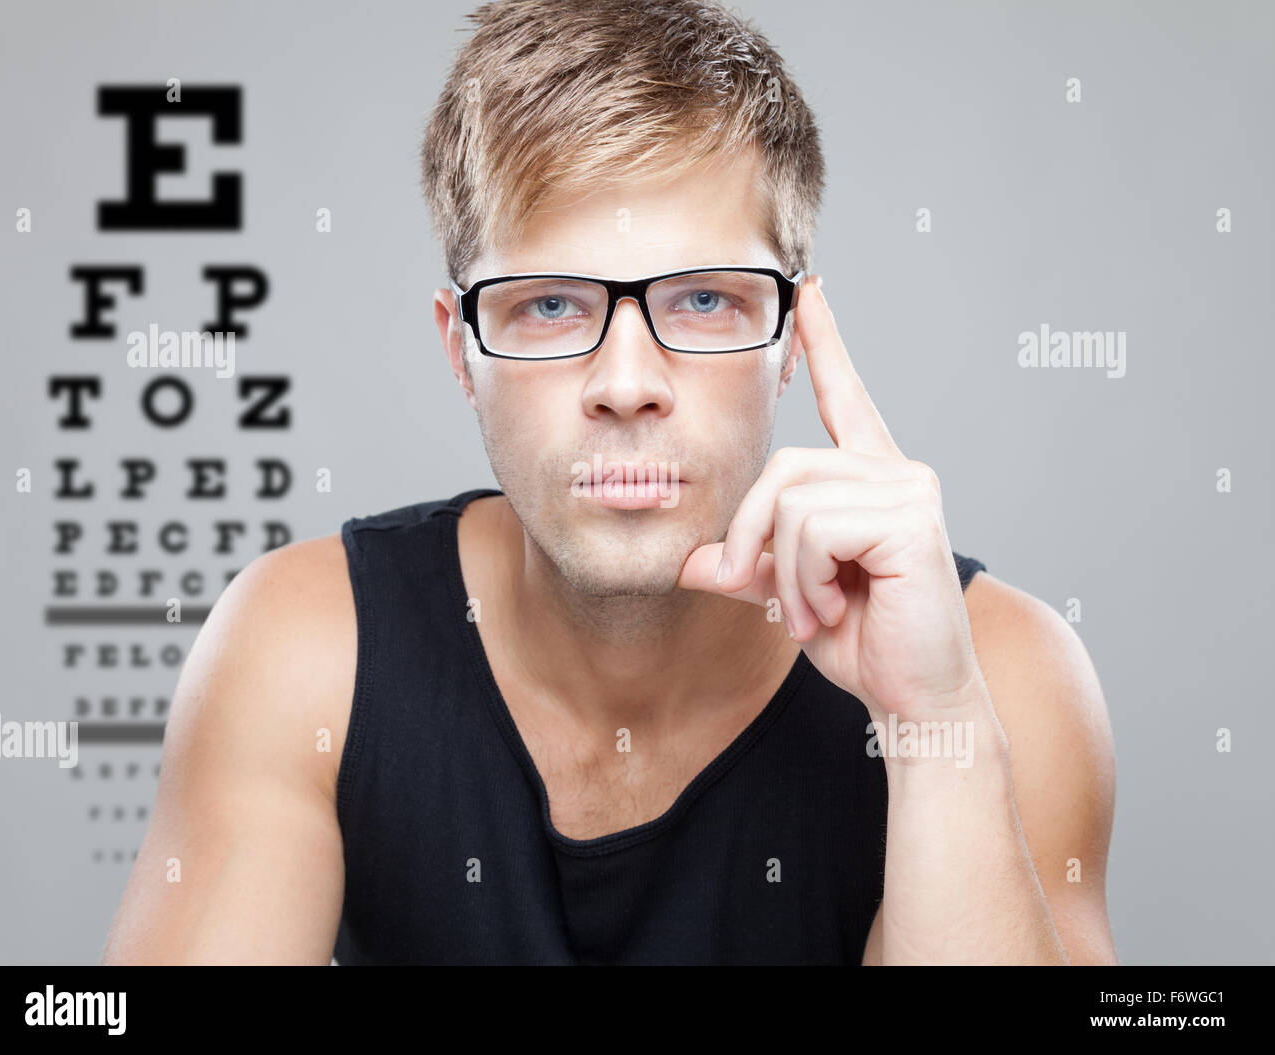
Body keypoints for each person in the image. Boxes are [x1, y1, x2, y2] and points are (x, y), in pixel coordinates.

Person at [102, 0, 1116, 965]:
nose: (627, 384)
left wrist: (933, 724)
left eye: (706, 298)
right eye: (548, 305)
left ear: (790, 341)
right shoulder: (307, 647)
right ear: (462, 351)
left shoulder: (999, 672)